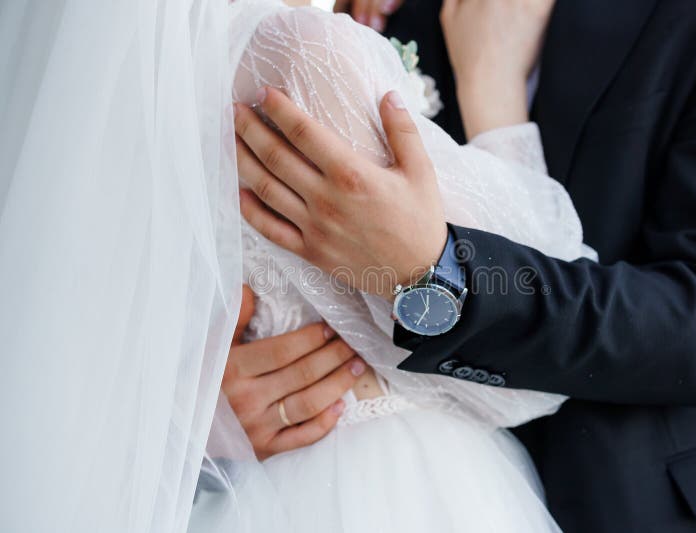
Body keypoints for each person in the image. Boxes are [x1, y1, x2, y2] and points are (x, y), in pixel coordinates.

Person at [234, 0, 696, 531]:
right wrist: (203, 416)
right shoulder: (380, 15)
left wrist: (437, 273)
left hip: (655, 500)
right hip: (392, 492)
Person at [192, 0, 582, 531]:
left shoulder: (160, 65)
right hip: (389, 487)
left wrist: (187, 423)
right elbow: (537, 363)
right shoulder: (302, 53)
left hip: (251, 493)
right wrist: (493, 87)